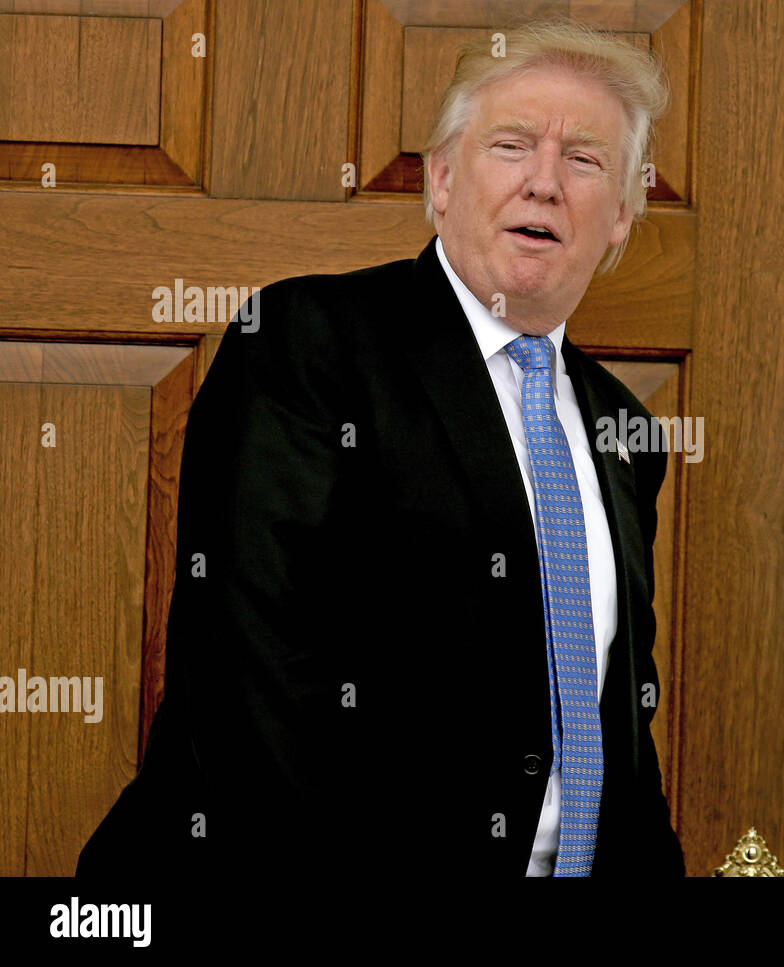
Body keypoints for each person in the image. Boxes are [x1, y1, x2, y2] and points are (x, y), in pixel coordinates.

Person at [77, 19, 683, 882]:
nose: (544, 183)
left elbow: (619, 733)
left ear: (621, 215)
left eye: (585, 160)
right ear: (440, 180)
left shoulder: (626, 433)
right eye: (511, 146)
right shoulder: (308, 345)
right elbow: (253, 689)